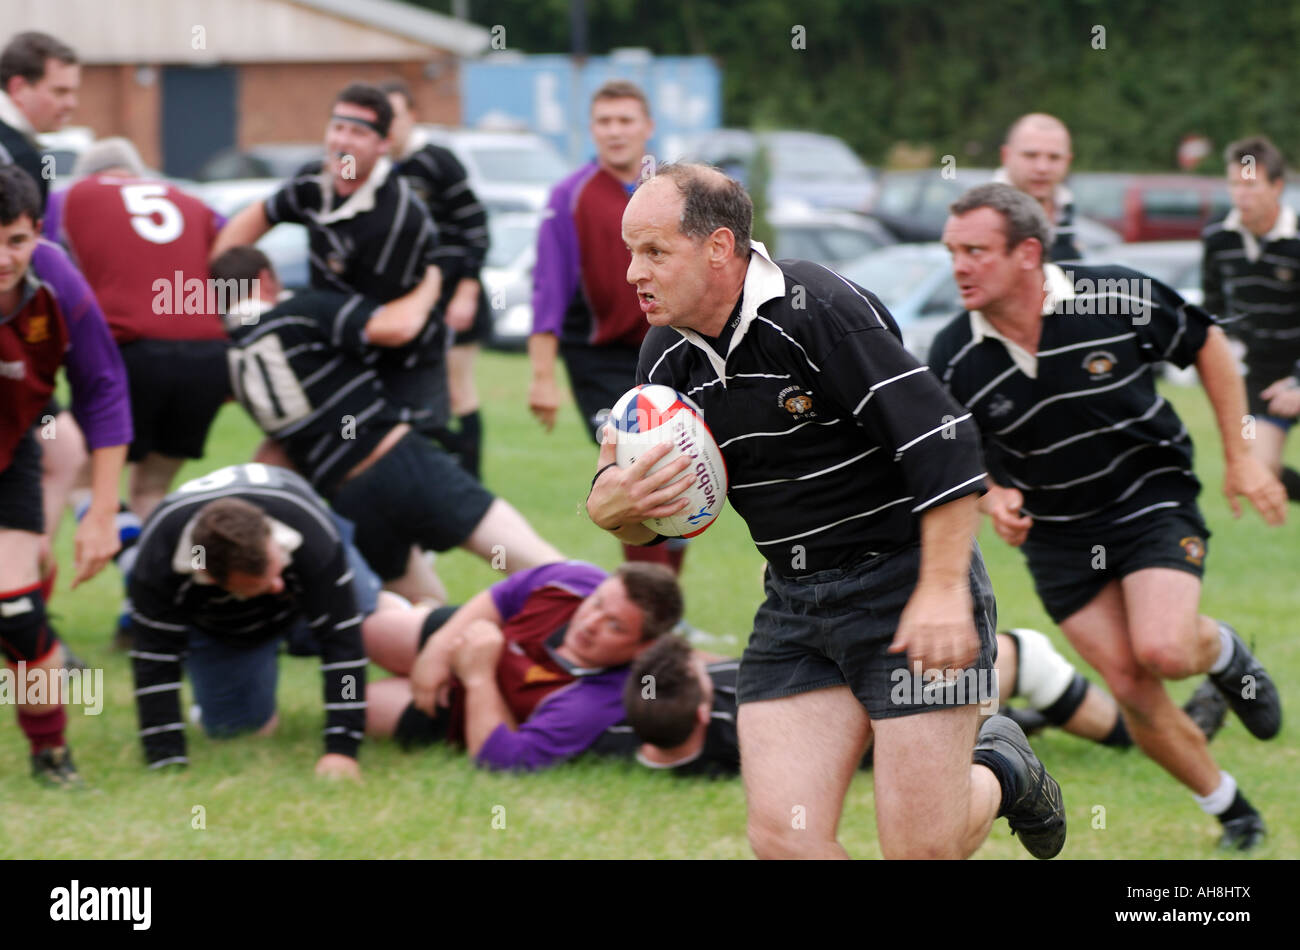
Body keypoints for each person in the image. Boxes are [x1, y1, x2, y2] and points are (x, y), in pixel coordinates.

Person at [588, 162, 1067, 860]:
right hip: (796, 603)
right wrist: (612, 506)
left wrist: (940, 594)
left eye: (654, 251)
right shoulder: (666, 356)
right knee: (784, 838)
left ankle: (1003, 771)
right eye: (631, 251)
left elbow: (944, 440)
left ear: (719, 248)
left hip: (905, 584)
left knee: (921, 851)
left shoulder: (814, 308)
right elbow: (640, 507)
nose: (634, 272)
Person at [928, 182, 1285, 851]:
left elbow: (1205, 341)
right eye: (953, 251)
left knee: (1164, 648)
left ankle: (1223, 652)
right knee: (1129, 683)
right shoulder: (953, 356)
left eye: (976, 251)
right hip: (1059, 534)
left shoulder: (1113, 294)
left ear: (1027, 253)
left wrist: (1241, 458)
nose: (960, 266)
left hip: (1149, 497)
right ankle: (1231, 808)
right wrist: (995, 495)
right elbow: (957, 459)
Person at [209, 246, 563, 591]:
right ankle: (606, 627)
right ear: (266, 279)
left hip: (349, 498)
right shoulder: (299, 312)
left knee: (421, 612)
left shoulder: (231, 359)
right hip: (400, 463)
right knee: (540, 563)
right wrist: (432, 279)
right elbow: (398, 326)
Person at [125, 462, 426, 779]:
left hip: (313, 570)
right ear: (211, 578)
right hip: (224, 625)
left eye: (277, 569)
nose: (278, 586)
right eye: (263, 584)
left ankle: (387, 606)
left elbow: (342, 645)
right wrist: (166, 760)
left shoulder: (307, 535)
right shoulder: (157, 562)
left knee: (363, 623)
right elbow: (155, 661)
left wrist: (341, 749)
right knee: (237, 729)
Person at [620, 628, 1228, 778]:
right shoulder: (736, 714)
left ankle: (1023, 721)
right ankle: (1147, 731)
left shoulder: (642, 737)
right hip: (888, 711)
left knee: (994, 692)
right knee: (1024, 657)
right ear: (703, 707)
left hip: (868, 707)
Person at [0, 164, 131, 785]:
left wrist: (102, 512)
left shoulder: (55, 279)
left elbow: (103, 387)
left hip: (13, 449)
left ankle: (49, 752)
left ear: (36, 234)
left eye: (16, 240)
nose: (3, 258)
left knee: (13, 611)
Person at [529, 80, 682, 574]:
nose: (615, 132)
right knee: (632, 475)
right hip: (600, 362)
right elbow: (547, 291)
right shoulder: (568, 197)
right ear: (590, 129)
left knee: (683, 477)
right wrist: (542, 376)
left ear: (648, 128)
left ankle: (661, 617)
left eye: (625, 121)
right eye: (604, 122)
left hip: (674, 352)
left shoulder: (678, 192)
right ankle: (648, 619)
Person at [47, 137, 230, 520]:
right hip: (208, 357)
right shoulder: (191, 201)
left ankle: (123, 555)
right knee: (152, 489)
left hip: (132, 352)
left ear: (88, 174)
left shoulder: (70, 197)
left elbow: (38, 255)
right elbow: (237, 259)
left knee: (75, 478)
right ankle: (154, 574)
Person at [364, 561, 683, 772]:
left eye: (614, 626)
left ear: (644, 648)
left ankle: (400, 609)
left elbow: (503, 760)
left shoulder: (596, 702)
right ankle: (403, 611)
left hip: (462, 710)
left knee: (359, 704)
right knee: (370, 631)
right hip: (470, 635)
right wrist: (438, 649)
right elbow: (505, 595)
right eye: (597, 603)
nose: (589, 623)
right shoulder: (576, 581)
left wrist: (478, 677)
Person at [1, 31, 89, 601]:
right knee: (56, 451)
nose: (71, 103)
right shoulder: (21, 154)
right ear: (18, 87)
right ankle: (24, 602)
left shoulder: (27, 146)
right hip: (10, 349)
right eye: (59, 90)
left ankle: (25, 599)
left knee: (63, 448)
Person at [380, 79, 491, 481]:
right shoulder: (377, 170)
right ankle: (435, 471)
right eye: (381, 118)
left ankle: (470, 481)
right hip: (408, 303)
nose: (388, 127)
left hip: (453, 294)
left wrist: (467, 288)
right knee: (416, 391)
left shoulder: (437, 161)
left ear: (413, 116)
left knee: (456, 388)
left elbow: (476, 228)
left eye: (395, 116)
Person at [1202, 135, 1300, 503]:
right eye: (1234, 184)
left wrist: (1297, 382)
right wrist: (1228, 345)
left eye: (1251, 184)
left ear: (1276, 187)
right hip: (1258, 373)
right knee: (1260, 471)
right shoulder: (1217, 237)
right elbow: (1212, 301)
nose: (1241, 195)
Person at [994, 113, 1080, 263]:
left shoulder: (1069, 211)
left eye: (1054, 157)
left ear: (1068, 161)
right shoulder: (981, 213)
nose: (1042, 168)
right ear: (1006, 156)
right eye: (1031, 155)